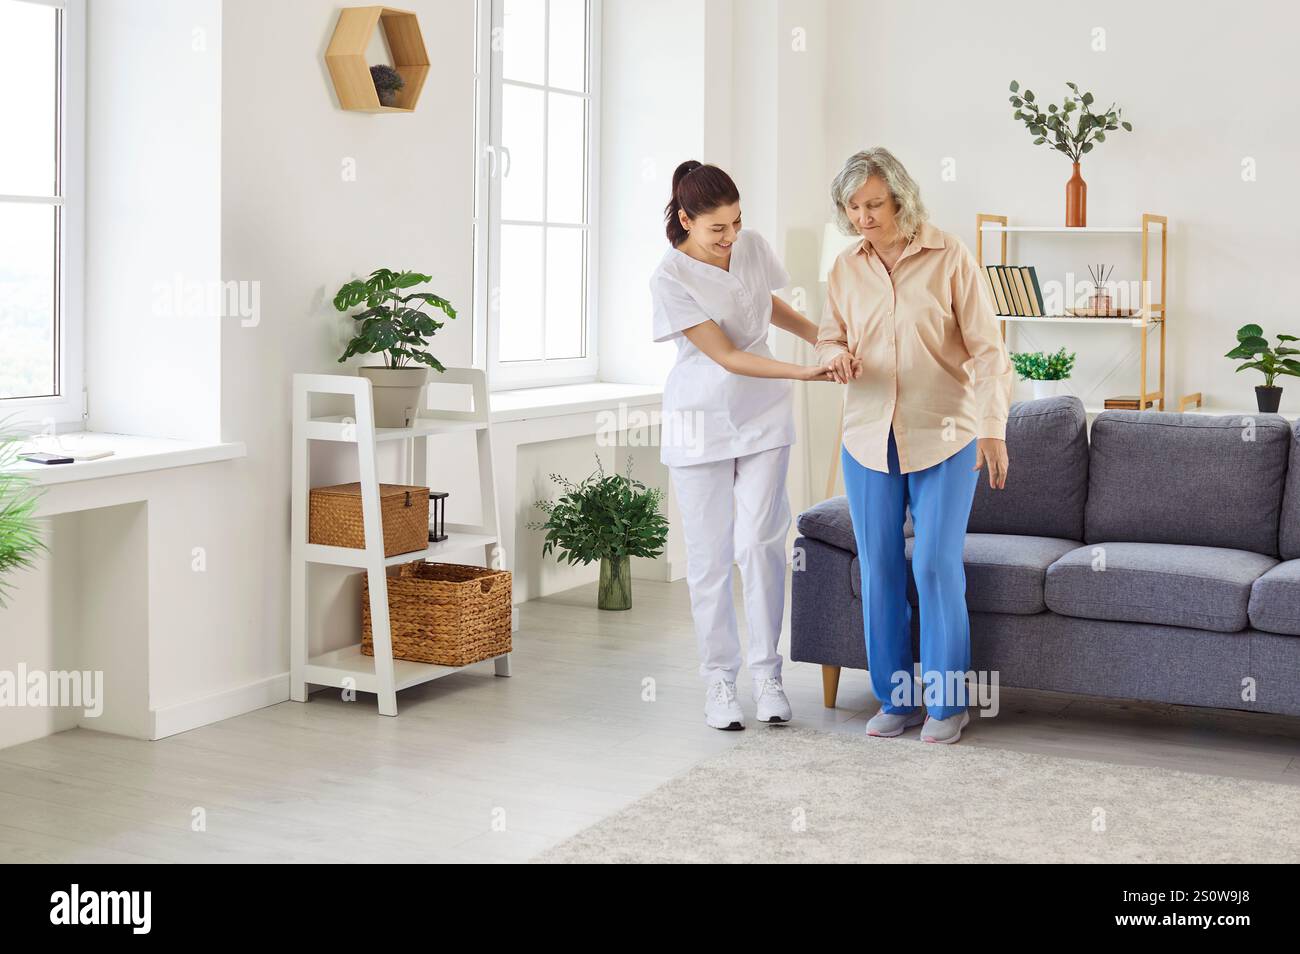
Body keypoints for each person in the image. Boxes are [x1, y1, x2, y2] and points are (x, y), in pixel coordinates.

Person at [818, 147, 1014, 744]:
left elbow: (988, 352)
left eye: (874, 204)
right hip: (868, 438)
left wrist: (992, 429)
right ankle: (896, 698)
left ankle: (947, 703)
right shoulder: (844, 268)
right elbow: (829, 336)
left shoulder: (950, 255)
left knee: (932, 564)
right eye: (853, 207)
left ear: (900, 198)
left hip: (945, 435)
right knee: (878, 568)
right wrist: (834, 356)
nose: (864, 217)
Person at [650, 160, 853, 730]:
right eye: (717, 229)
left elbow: (767, 304)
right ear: (686, 220)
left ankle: (768, 675)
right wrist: (805, 374)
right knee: (710, 557)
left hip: (762, 416)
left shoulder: (752, 245)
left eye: (737, 222)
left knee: (762, 543)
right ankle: (719, 680)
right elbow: (728, 356)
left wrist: (823, 338)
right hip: (701, 418)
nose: (731, 236)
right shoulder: (669, 278)